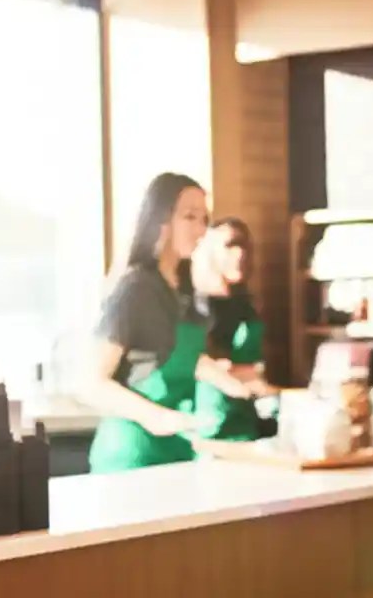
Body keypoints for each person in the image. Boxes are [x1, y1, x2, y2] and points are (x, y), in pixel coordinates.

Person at [81, 173, 252, 473]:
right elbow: (92, 383)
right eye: (189, 217)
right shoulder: (135, 289)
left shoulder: (183, 288)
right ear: (160, 221)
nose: (201, 229)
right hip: (130, 454)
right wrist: (156, 417)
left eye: (204, 219)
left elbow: (178, 357)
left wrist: (235, 386)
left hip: (177, 450)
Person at [192, 217, 278, 443]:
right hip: (206, 425)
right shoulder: (192, 307)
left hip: (248, 422)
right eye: (230, 246)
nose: (240, 254)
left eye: (244, 246)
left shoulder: (246, 304)